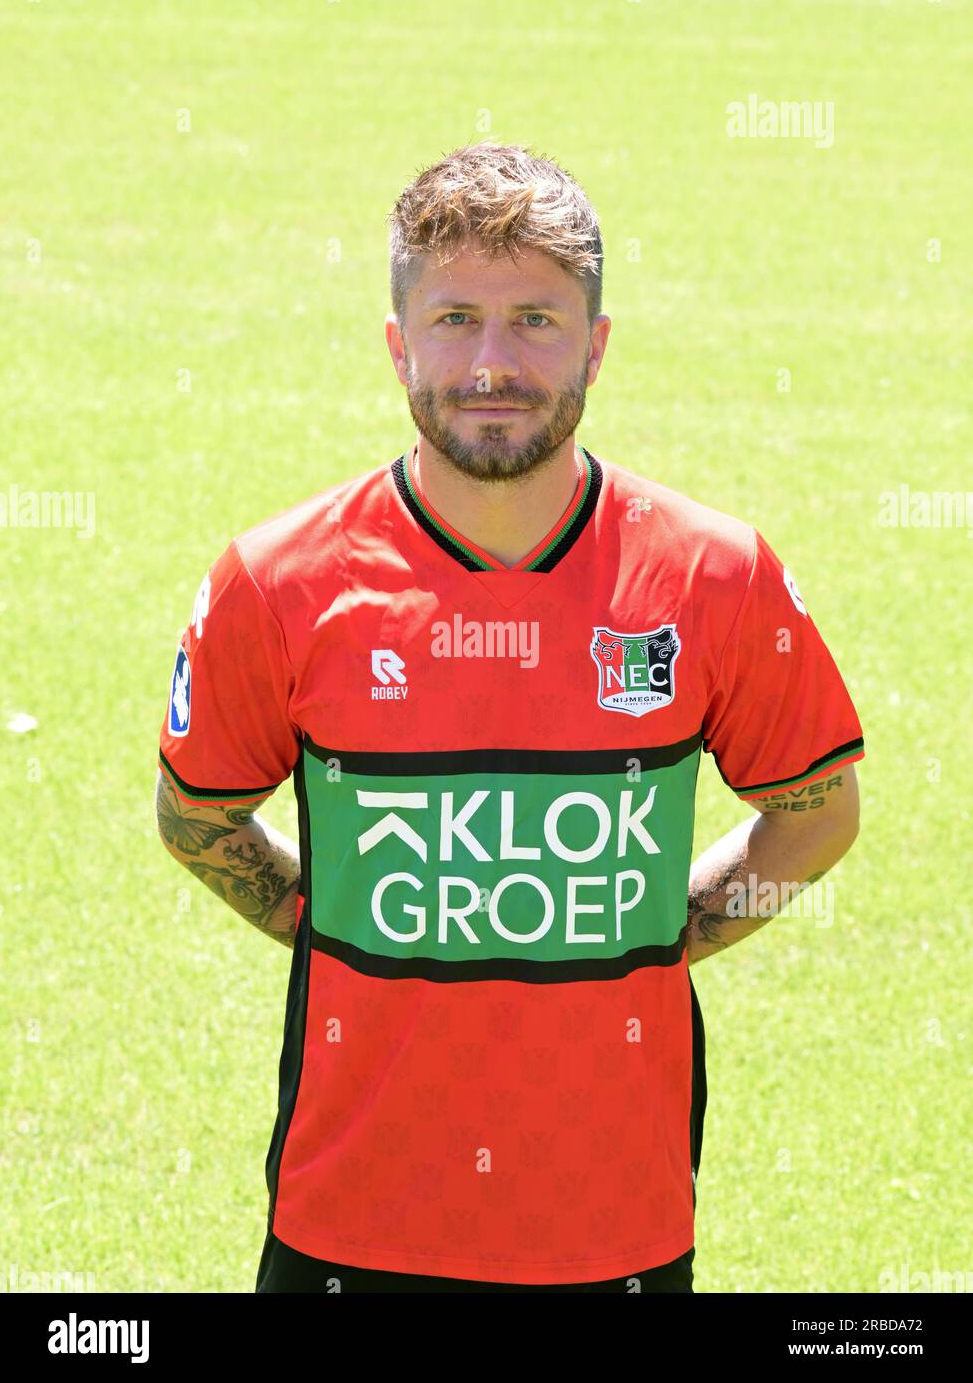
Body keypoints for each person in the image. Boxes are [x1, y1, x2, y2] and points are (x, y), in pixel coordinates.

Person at [155, 142, 864, 1294]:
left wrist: (659, 930)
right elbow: (194, 818)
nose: (493, 364)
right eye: (454, 320)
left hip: (613, 1229)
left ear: (596, 342)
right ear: (399, 347)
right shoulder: (279, 581)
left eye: (536, 318)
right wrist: (333, 922)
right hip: (349, 1226)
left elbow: (819, 811)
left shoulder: (714, 575)